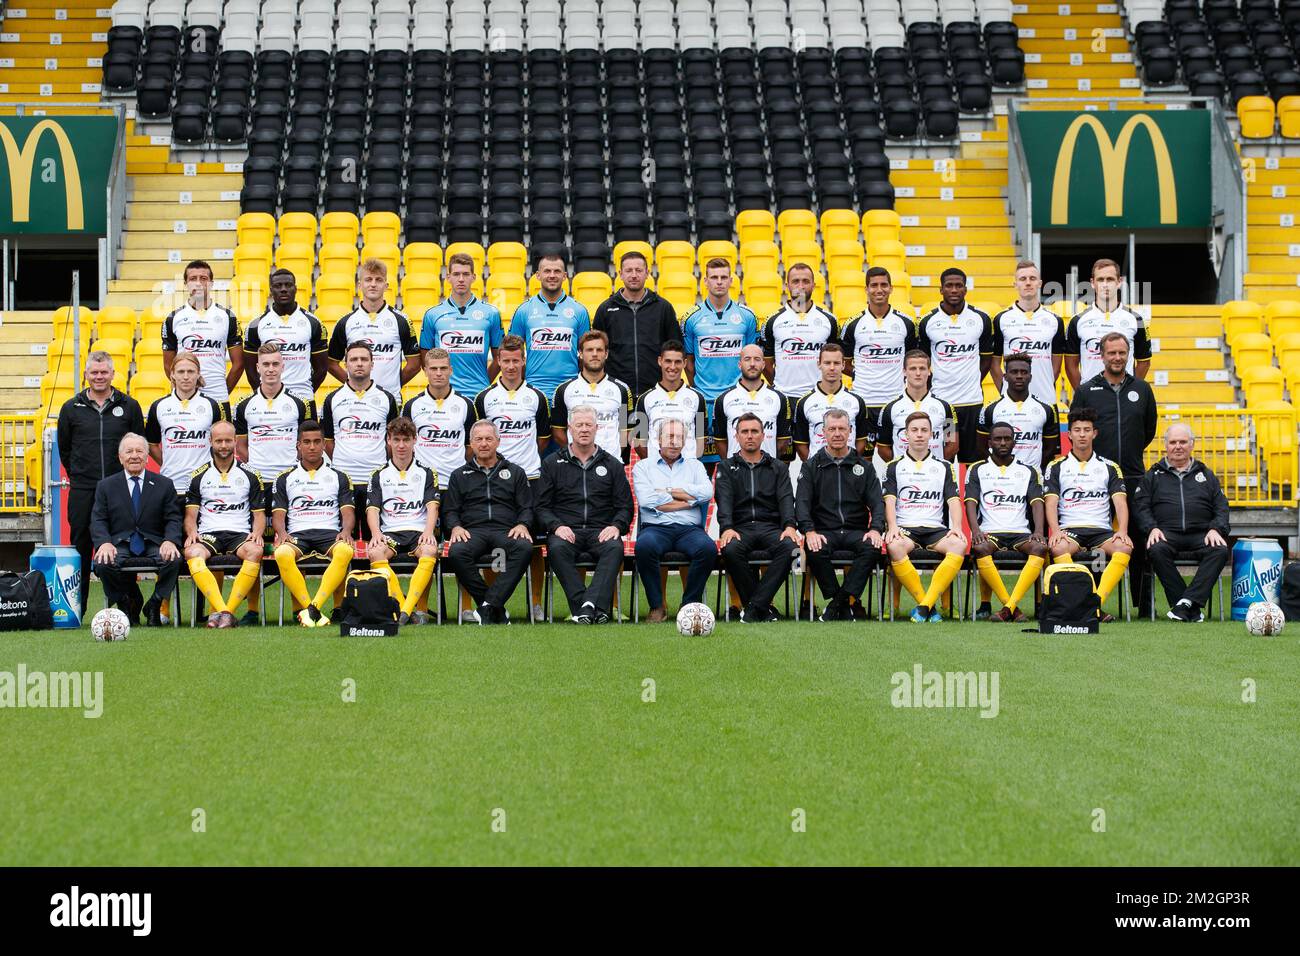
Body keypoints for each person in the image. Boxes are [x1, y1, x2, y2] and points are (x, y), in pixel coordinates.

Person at [1068, 332, 1158, 615]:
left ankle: (1142, 606)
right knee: (1097, 540)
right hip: (1096, 477)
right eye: (1111, 353)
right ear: (1101, 355)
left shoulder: (1142, 389)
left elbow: (1149, 430)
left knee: (1139, 539)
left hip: (1132, 476)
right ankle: (1094, 602)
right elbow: (1077, 427)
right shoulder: (1086, 390)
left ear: (1128, 354)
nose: (1117, 358)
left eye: (1122, 353)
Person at [56, 350, 146, 616]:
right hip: (84, 490)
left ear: (112, 374)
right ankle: (76, 609)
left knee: (122, 548)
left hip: (121, 490)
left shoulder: (129, 406)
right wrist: (82, 476)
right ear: (86, 374)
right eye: (94, 372)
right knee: (82, 549)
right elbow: (65, 449)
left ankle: (129, 606)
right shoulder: (70, 408)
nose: (98, 377)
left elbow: (137, 446)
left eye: (103, 372)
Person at [473, 334, 551, 620]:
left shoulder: (537, 397)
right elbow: (478, 438)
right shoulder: (485, 398)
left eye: (515, 361)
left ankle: (536, 602)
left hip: (530, 478)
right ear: (498, 362)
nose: (510, 366)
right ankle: (496, 602)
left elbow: (543, 439)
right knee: (496, 542)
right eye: (505, 361)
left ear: (523, 361)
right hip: (493, 479)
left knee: (533, 544)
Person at [232, 342, 309, 625]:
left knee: (289, 544)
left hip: (290, 483)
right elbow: (240, 445)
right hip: (257, 484)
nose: (271, 369)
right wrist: (258, 467)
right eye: (266, 364)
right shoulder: (244, 406)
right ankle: (252, 610)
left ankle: (298, 609)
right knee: (255, 543)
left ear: (283, 366)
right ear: (257, 368)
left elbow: (308, 441)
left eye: (275, 364)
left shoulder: (299, 403)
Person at [536, 405, 633, 624]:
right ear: (570, 428)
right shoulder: (552, 463)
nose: (584, 429)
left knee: (614, 547)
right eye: (579, 425)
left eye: (589, 425)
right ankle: (593, 607)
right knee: (556, 548)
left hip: (601, 531)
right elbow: (541, 506)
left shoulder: (612, 464)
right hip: (566, 530)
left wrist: (616, 526)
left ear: (597, 428)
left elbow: (625, 507)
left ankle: (584, 607)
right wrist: (556, 526)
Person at [1132, 423, 1231, 623]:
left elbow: (1221, 507)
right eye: (1173, 442)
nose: (1178, 446)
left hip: (1201, 534)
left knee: (1220, 550)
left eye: (1183, 442)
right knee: (1156, 549)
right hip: (1166, 534)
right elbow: (1140, 506)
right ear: (1165, 445)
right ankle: (1189, 606)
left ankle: (1184, 604)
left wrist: (1215, 529)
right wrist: (1151, 528)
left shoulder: (1207, 474)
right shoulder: (1153, 475)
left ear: (1192, 444)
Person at [795, 407, 885, 621]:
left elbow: (877, 503)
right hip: (824, 532)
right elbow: (802, 504)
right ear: (823, 433)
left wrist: (875, 529)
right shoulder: (811, 466)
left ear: (850, 431)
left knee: (872, 546)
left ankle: (837, 604)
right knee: (815, 548)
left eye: (842, 429)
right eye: (832, 429)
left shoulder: (864, 466)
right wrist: (809, 531)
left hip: (856, 531)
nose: (837, 433)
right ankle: (842, 602)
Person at [441, 420, 536, 625]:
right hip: (473, 531)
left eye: (489, 439)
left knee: (525, 547)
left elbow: (527, 507)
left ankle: (487, 606)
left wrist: (522, 524)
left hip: (506, 530)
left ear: (498, 442)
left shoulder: (516, 472)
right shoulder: (459, 475)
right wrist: (455, 527)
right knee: (457, 552)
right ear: (471, 444)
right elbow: (450, 510)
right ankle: (493, 607)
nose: (484, 444)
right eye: (479, 439)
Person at [1043, 407, 1132, 622]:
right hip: (1070, 531)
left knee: (1125, 546)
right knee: (1057, 546)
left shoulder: (1109, 467)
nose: (1082, 434)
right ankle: (1084, 605)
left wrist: (1123, 531)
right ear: (1069, 435)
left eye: (1087, 430)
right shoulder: (1056, 466)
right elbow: (1050, 502)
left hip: (1101, 532)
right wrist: (1055, 530)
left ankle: (1094, 604)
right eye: (1077, 430)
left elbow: (1120, 502)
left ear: (1095, 433)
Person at [89, 433, 183, 626]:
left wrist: (170, 540)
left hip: (153, 542)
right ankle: (125, 603)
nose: (134, 456)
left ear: (147, 457)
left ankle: (154, 604)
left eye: (139, 451)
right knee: (103, 562)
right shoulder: (106, 486)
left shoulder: (164, 484)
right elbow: (98, 519)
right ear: (120, 457)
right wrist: (104, 543)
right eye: (129, 451)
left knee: (173, 559)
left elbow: (173, 517)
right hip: (120, 543)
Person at [715, 413, 799, 623]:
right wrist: (726, 527)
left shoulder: (778, 467)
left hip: (770, 527)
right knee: (731, 549)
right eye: (745, 432)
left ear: (763, 436)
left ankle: (754, 608)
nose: (750, 436)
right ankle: (763, 608)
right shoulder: (726, 467)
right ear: (737, 436)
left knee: (791, 548)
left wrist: (789, 526)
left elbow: (786, 499)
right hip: (740, 528)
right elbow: (723, 500)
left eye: (754, 431)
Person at [271, 420, 356, 627]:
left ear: (324, 445)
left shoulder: (339, 476)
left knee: (345, 551)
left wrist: (346, 530)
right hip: (298, 534)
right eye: (306, 442)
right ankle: (309, 608)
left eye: (317, 441)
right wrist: (281, 532)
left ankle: (312, 608)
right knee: (281, 553)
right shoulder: (285, 478)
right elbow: (278, 515)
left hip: (329, 533)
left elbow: (348, 512)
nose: (312, 446)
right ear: (298, 445)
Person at [884, 412, 967, 623]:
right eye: (914, 430)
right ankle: (928, 607)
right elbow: (889, 500)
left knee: (958, 545)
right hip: (906, 529)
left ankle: (924, 606)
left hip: (935, 530)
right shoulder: (893, 466)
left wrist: (957, 526)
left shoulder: (944, 466)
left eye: (924, 430)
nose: (919, 435)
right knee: (894, 546)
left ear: (931, 434)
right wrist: (892, 526)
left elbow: (954, 500)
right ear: (906, 435)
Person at [632, 418, 716, 623]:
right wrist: (689, 500)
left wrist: (667, 492)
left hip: (689, 530)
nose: (674, 442)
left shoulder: (696, 466)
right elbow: (647, 500)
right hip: (656, 528)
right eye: (669, 436)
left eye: (679, 437)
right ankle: (657, 606)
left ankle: (688, 606)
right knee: (644, 547)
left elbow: (707, 492)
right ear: (658, 439)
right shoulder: (643, 467)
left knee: (707, 549)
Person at [182, 421, 265, 628]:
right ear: (210, 441)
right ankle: (224, 611)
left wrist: (257, 532)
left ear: (235, 441)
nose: (224, 445)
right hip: (210, 533)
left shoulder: (250, 474)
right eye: (219, 441)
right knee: (192, 553)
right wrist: (192, 532)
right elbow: (191, 515)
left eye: (228, 440)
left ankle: (225, 612)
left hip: (239, 533)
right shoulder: (198, 475)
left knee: (255, 551)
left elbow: (260, 514)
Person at [965, 421, 1049, 623]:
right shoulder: (977, 469)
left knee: (1040, 548)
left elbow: (1037, 503)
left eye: (1007, 438)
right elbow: (970, 503)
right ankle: (1012, 607)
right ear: (989, 442)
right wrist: (975, 530)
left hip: (1020, 533)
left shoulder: (1028, 471)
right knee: (981, 547)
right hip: (990, 532)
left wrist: (1038, 530)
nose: (1003, 442)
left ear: (1014, 442)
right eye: (998, 439)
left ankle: (1008, 607)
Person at [682, 257, 759, 467]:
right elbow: (689, 361)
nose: (719, 282)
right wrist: (700, 386)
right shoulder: (691, 317)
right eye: (714, 277)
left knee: (740, 465)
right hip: (703, 403)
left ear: (732, 280)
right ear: (705, 281)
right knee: (701, 466)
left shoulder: (747, 316)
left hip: (738, 401)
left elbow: (752, 357)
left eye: (723, 277)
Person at [365, 417, 440, 626]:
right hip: (391, 533)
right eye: (396, 439)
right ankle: (403, 607)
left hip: (418, 531)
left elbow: (432, 506)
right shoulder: (378, 475)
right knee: (375, 552)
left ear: (415, 440)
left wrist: (428, 532)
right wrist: (376, 534)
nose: (401, 445)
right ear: (388, 440)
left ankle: (407, 613)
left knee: (430, 550)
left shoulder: (426, 473)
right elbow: (372, 509)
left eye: (406, 440)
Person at [916, 267, 993, 463]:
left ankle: (971, 495)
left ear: (965, 289)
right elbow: (923, 362)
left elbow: (986, 360)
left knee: (973, 460)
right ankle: (948, 494)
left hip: (972, 405)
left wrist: (972, 380)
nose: (954, 290)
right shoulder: (929, 322)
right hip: (946, 406)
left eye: (958, 286)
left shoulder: (980, 319)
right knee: (947, 455)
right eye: (949, 286)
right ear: (941, 289)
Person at [320, 341, 400, 528]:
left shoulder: (387, 398)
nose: (359, 363)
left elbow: (392, 442)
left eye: (364, 359)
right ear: (346, 363)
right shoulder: (332, 399)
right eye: (353, 359)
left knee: (377, 538)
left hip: (377, 479)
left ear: (372, 364)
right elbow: (329, 442)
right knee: (347, 538)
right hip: (343, 480)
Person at [591, 250, 682, 399]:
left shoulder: (663, 308)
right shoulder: (605, 309)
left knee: (648, 423)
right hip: (617, 394)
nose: (634, 275)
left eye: (639, 270)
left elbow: (675, 348)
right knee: (622, 423)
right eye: (629, 270)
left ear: (647, 273)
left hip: (655, 393)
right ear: (620, 273)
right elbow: (597, 350)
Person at [842, 266, 919, 442]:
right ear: (866, 289)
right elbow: (843, 362)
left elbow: (915, 360)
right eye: (874, 285)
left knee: (897, 453)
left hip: (896, 401)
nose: (879, 290)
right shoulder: (853, 325)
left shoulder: (906, 323)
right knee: (863, 457)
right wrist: (858, 373)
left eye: (884, 285)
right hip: (863, 402)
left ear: (891, 288)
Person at [326, 258, 421, 399]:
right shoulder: (346, 322)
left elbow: (414, 364)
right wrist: (353, 383)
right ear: (360, 285)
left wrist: (393, 386)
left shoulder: (401, 321)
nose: (373, 284)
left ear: (386, 285)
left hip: (392, 400)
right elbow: (331, 363)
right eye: (368, 279)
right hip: (356, 398)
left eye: (378, 280)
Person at [417, 251, 504, 398]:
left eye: (466, 274)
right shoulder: (433, 314)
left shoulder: (491, 313)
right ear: (448, 277)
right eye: (456, 274)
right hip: (444, 395)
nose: (461, 279)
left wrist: (484, 384)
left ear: (473, 277)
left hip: (479, 395)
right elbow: (425, 357)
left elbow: (499, 357)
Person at [508, 251, 591, 403]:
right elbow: (511, 353)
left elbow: (586, 354)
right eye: (547, 271)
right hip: (534, 390)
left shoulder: (579, 311)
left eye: (557, 271)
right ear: (538, 275)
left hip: (571, 390)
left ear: (565, 276)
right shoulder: (523, 311)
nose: (552, 275)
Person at [144, 351, 226, 503]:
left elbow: (222, 444)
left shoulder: (212, 405)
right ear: (172, 374)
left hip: (205, 486)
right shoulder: (159, 406)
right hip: (170, 484)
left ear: (198, 374)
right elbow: (151, 444)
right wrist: (168, 462)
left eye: (191, 371)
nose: (186, 376)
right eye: (181, 371)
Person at [244, 269, 328, 416]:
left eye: (288, 285)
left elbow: (321, 369)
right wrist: (267, 393)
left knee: (308, 439)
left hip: (304, 400)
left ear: (295, 288)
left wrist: (304, 391)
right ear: (271, 290)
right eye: (278, 286)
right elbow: (251, 370)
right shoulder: (256, 325)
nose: (283, 289)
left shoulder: (313, 323)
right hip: (269, 400)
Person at [162, 259, 244, 407]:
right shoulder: (173, 318)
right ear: (186, 284)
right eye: (193, 279)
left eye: (204, 278)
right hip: (185, 399)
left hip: (218, 397)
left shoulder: (227, 316)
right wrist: (183, 388)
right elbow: (168, 365)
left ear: (211, 283)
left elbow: (238, 364)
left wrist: (223, 390)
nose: (198, 283)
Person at [1064, 257, 1152, 389]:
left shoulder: (1136, 319)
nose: (1105, 284)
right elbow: (1071, 365)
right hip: (1090, 399)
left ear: (1119, 282)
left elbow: (1144, 362)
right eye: (1100, 279)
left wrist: (1129, 389)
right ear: (1093, 283)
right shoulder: (1077, 321)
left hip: (1123, 399)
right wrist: (1083, 393)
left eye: (1110, 279)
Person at [761, 263, 840, 405]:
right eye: (795, 281)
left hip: (819, 397)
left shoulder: (829, 320)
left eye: (806, 281)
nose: (801, 286)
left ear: (813, 285)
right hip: (784, 397)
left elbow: (836, 359)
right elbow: (766, 363)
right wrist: (780, 385)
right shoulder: (773, 321)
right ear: (787, 286)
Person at [990, 260, 1065, 406]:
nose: (1028, 283)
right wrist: (1005, 388)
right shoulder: (1001, 319)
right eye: (1023, 279)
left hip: (1046, 400)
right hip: (1010, 402)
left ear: (1040, 283)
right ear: (1015, 284)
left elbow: (1056, 365)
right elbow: (994, 365)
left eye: (1032, 278)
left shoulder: (1055, 320)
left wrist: (1044, 385)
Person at [551, 329, 633, 459]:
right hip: (575, 464)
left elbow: (626, 431)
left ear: (606, 354)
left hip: (611, 464)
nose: (594, 354)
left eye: (599, 350)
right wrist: (577, 454)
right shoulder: (564, 389)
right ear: (580, 354)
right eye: (589, 350)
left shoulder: (621, 389)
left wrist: (612, 455)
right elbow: (557, 432)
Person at [402, 347, 476, 489]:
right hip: (421, 485)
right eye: (433, 369)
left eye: (443, 368)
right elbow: (404, 446)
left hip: (456, 485)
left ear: (451, 370)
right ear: (425, 370)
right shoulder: (412, 406)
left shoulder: (466, 405)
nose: (438, 373)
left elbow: (470, 447)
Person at [976, 352, 1060, 470]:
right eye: (1014, 372)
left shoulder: (1046, 409)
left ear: (1030, 377)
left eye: (1024, 372)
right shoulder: (990, 409)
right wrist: (999, 469)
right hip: (1000, 478)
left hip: (1034, 481)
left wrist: (1033, 473)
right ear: (1005, 376)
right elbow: (981, 447)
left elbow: (1050, 449)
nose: (1019, 376)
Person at [875, 350, 958, 465]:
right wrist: (902, 466)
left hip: (935, 473)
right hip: (902, 475)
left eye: (922, 368)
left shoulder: (945, 407)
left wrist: (935, 464)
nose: (918, 373)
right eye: (913, 368)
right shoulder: (890, 408)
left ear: (929, 371)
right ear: (904, 371)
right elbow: (883, 449)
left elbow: (953, 445)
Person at [632, 340, 708, 463]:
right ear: (660, 361)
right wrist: (654, 464)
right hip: (656, 470)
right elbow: (639, 441)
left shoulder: (697, 397)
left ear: (684, 363)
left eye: (677, 362)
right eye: (668, 361)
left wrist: (691, 461)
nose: (672, 367)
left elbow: (701, 437)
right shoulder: (645, 399)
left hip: (687, 468)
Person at [792, 342, 870, 460]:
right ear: (819, 364)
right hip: (818, 472)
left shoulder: (857, 401)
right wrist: (813, 466)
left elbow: (861, 440)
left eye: (837, 363)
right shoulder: (804, 402)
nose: (832, 368)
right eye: (827, 363)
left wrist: (849, 461)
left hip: (848, 469)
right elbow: (800, 443)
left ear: (843, 365)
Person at [712, 343, 791, 460]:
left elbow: (783, 441)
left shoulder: (779, 398)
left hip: (768, 471)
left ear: (764, 364)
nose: (752, 364)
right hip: (735, 472)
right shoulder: (723, 399)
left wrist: (768, 463)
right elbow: (719, 441)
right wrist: (731, 465)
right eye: (747, 359)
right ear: (739, 364)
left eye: (757, 359)